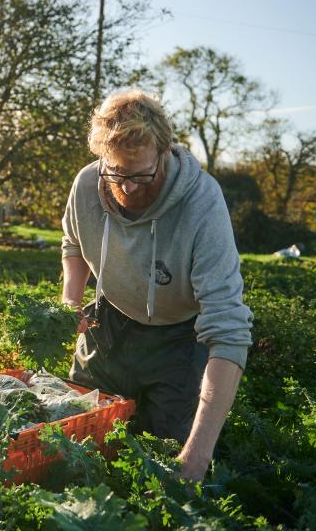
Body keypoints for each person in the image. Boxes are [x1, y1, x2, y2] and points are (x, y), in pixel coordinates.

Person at [60, 89, 252, 481]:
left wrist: (196, 458)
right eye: (117, 172)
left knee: (160, 459)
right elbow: (74, 243)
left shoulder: (202, 203)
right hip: (108, 326)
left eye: (141, 174)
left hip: (179, 339)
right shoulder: (86, 185)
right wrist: (70, 300)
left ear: (164, 151)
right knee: (78, 443)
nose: (128, 187)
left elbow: (229, 331)